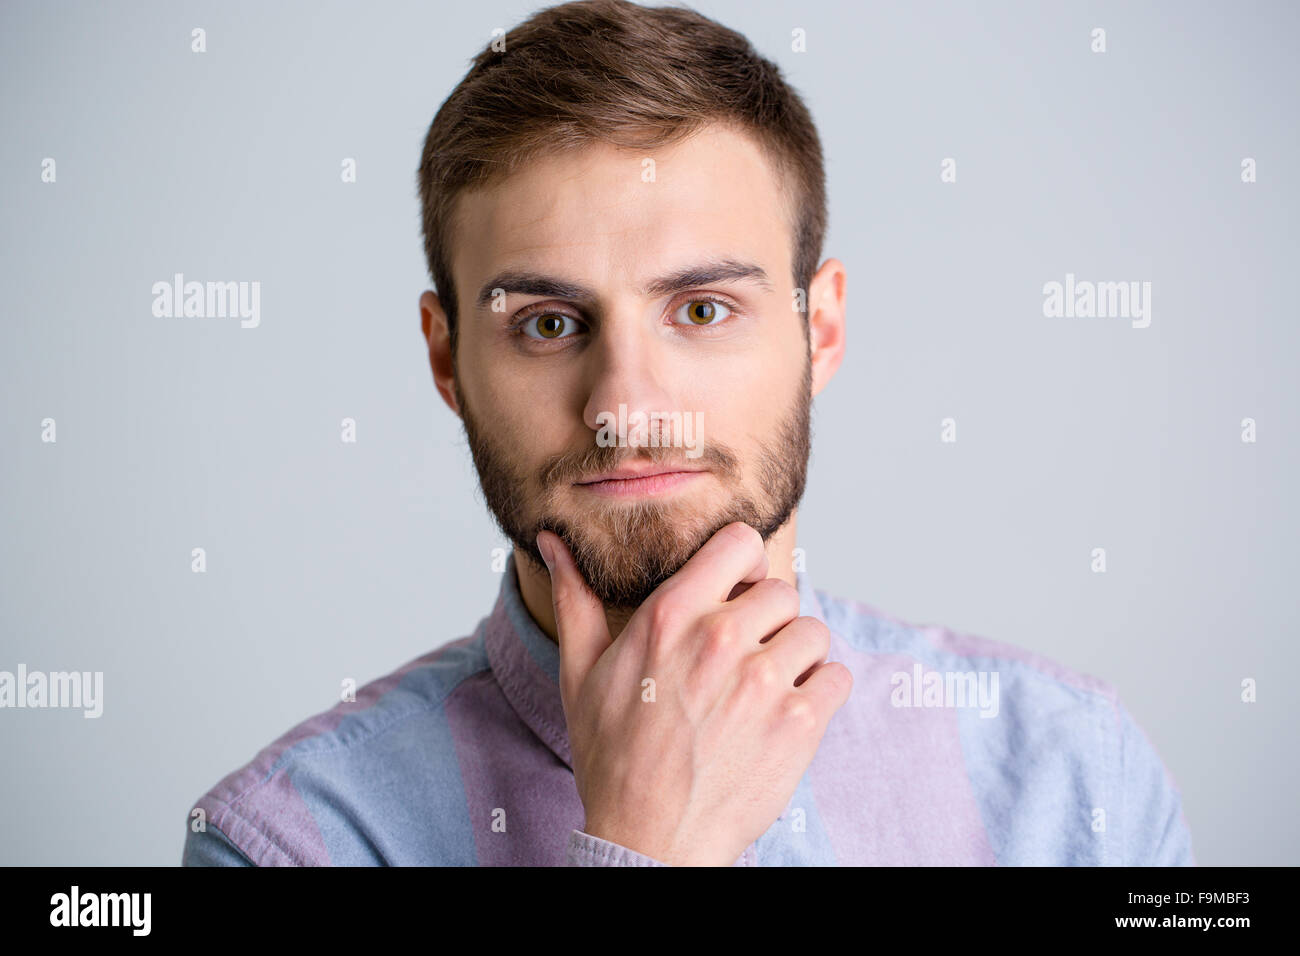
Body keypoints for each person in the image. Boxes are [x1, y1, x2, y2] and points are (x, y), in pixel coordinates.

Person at [182, 0, 1193, 866]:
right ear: (447, 358)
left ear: (819, 327)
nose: (626, 406)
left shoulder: (1074, 784)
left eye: (702, 310)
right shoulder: (293, 839)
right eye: (547, 324)